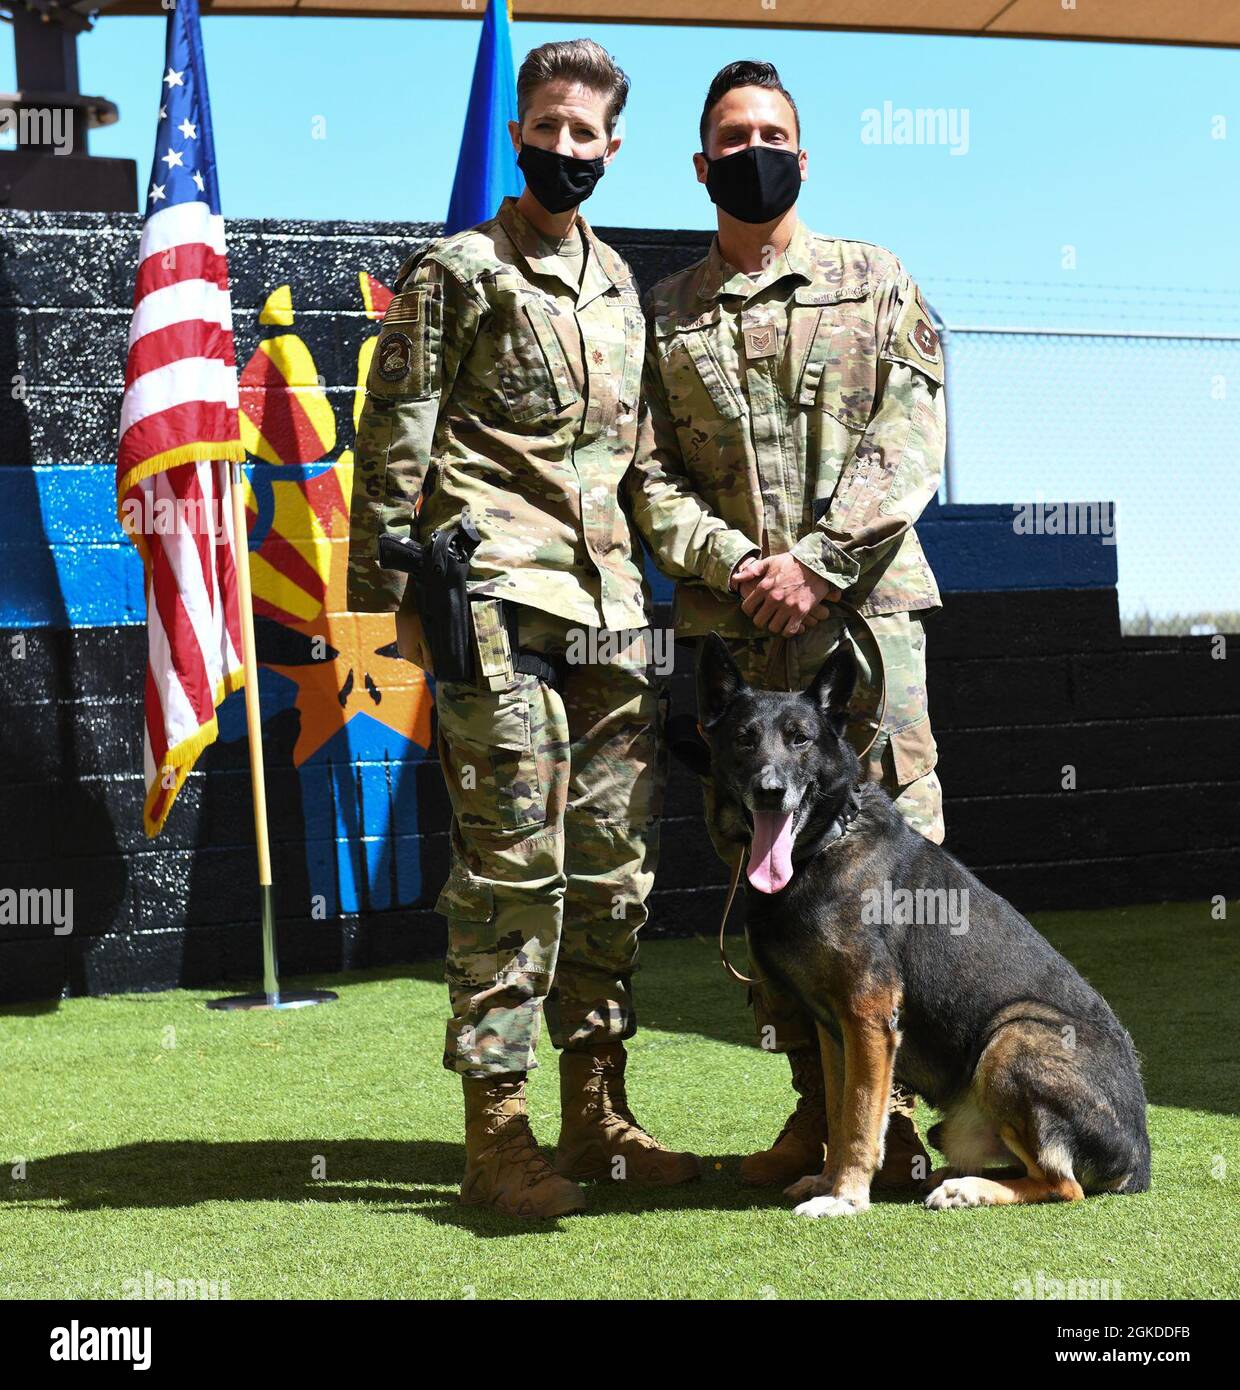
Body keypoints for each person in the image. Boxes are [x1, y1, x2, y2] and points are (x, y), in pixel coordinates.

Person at [347, 38, 700, 1220]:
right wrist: (391, 591)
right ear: (518, 133)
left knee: (611, 867)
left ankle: (596, 1115)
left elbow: (636, 457)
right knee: (512, 867)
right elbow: (395, 424)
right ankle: (496, 1137)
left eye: (584, 133)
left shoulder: (619, 289)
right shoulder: (458, 269)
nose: (563, 147)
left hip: (611, 611)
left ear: (613, 147)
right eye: (544, 126)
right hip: (491, 597)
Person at [626, 60, 946, 1191]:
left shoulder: (877, 281)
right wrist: (735, 565)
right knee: (764, 876)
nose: (752, 150)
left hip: (865, 632)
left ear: (801, 159)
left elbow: (910, 440)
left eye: (772, 133)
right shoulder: (663, 314)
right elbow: (644, 477)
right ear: (702, 163)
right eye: (732, 135)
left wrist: (814, 566)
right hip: (743, 648)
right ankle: (817, 1118)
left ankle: (907, 1120)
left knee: (896, 865)